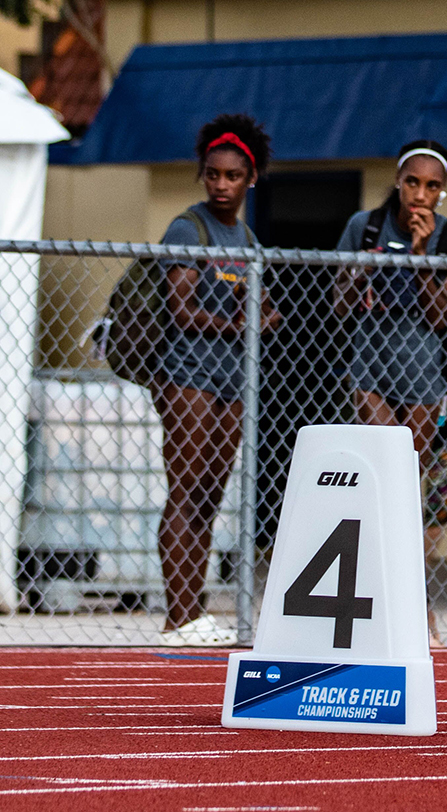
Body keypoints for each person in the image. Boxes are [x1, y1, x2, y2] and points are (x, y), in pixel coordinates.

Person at [334, 139, 447, 634]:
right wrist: (364, 269)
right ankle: (378, 601)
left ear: (442, 192)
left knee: (406, 488)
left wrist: (418, 254)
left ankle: (413, 602)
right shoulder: (365, 226)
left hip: (424, 377)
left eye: (432, 186)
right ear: (397, 181)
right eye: (412, 182)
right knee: (382, 478)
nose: (419, 194)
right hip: (370, 369)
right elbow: (339, 307)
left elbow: (440, 317)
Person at [153, 115, 277, 648]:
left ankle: (195, 611)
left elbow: (259, 304)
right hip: (188, 374)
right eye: (212, 174)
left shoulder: (245, 236)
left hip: (231, 379)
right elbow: (181, 311)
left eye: (232, 176)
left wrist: (261, 315)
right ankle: (178, 617)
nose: (221, 185)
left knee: (209, 493)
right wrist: (244, 323)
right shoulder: (189, 228)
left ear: (251, 178)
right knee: (184, 489)